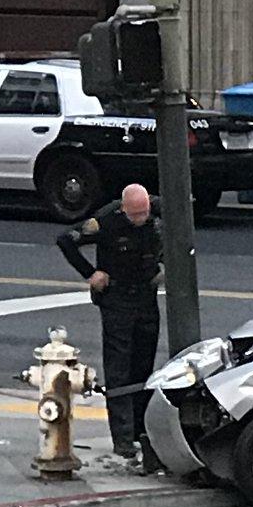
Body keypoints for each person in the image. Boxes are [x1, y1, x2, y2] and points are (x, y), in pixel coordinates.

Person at [58, 183, 164, 465]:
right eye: (135, 215)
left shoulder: (157, 212)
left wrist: (163, 265)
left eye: (144, 214)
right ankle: (123, 436)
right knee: (119, 368)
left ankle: (143, 430)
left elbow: (175, 237)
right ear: (123, 208)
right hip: (117, 298)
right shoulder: (105, 221)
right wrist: (90, 274)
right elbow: (66, 241)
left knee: (144, 367)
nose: (140, 219)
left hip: (146, 296)